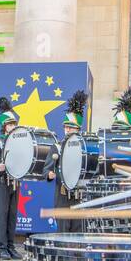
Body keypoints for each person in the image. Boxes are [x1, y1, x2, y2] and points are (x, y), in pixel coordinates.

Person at [51, 91, 85, 233]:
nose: (67, 130)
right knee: (63, 232)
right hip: (63, 195)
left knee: (78, 232)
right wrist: (49, 174)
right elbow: (47, 169)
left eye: (71, 127)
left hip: (80, 195)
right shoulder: (57, 147)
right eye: (66, 127)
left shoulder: (85, 148)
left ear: (78, 129)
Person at [0, 97, 20, 259]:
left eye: (14, 124)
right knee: (2, 216)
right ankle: (1, 247)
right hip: (2, 183)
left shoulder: (18, 143)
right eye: (10, 124)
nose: (13, 127)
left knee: (12, 216)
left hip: (15, 183)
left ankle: (11, 246)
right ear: (4, 127)